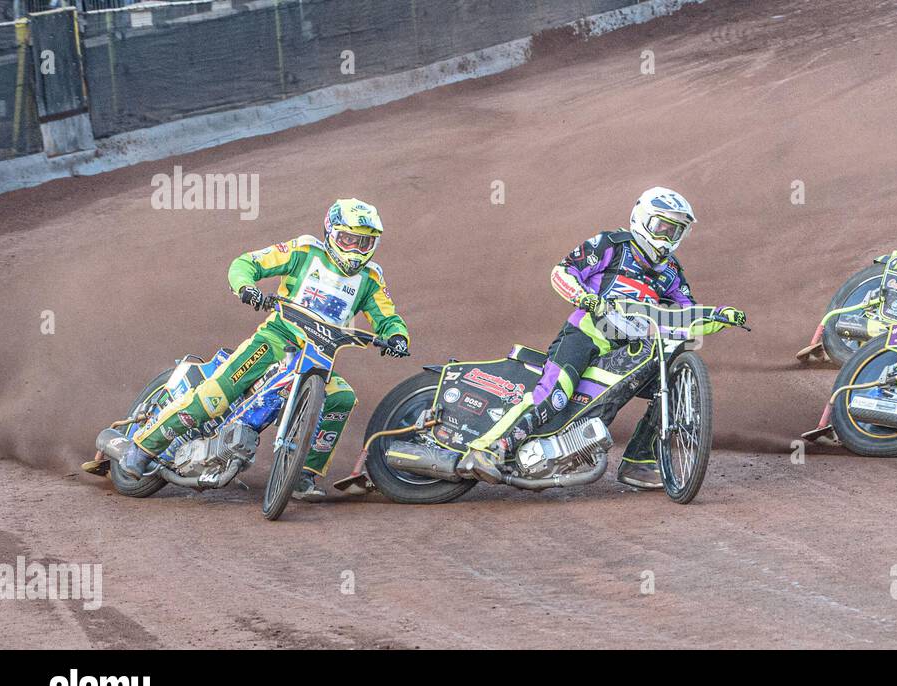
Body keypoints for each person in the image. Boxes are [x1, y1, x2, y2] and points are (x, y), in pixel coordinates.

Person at [118, 198, 410, 501]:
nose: (354, 249)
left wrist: (397, 336)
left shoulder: (371, 278)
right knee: (215, 397)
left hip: (320, 356)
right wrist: (246, 288)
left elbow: (387, 317)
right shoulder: (305, 250)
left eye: (364, 242)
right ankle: (141, 448)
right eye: (348, 239)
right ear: (331, 232)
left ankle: (302, 475)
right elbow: (247, 263)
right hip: (274, 341)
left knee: (342, 397)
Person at [458, 187, 746, 486]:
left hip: (628, 350)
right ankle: (488, 450)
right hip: (586, 333)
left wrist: (720, 316)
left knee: (669, 388)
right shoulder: (611, 244)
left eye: (676, 230)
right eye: (663, 226)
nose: (667, 236)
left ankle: (638, 461)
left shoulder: (671, 271)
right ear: (643, 219)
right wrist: (586, 298)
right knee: (555, 395)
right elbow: (562, 271)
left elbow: (689, 314)